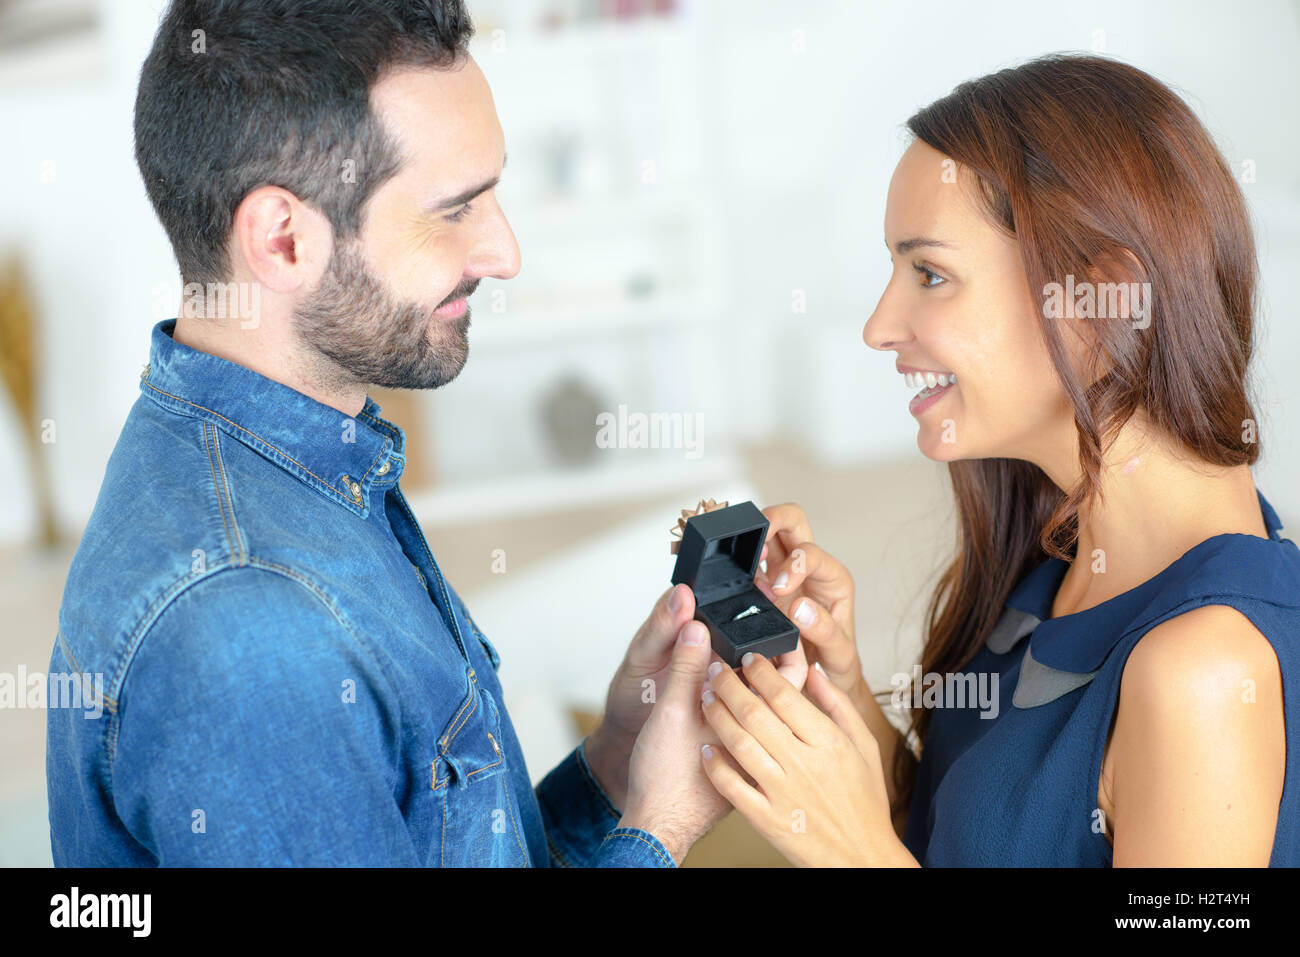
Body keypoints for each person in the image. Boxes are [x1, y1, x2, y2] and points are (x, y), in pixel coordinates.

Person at [45, 0, 806, 868]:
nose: (505, 251)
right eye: (456, 209)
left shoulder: (301, 458)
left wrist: (617, 759)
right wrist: (661, 829)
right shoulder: (249, 629)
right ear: (284, 240)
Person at [698, 54, 1300, 866]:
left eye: (930, 273)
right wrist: (837, 680)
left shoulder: (1206, 675)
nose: (880, 325)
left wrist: (854, 854)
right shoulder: (1062, 553)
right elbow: (970, 834)